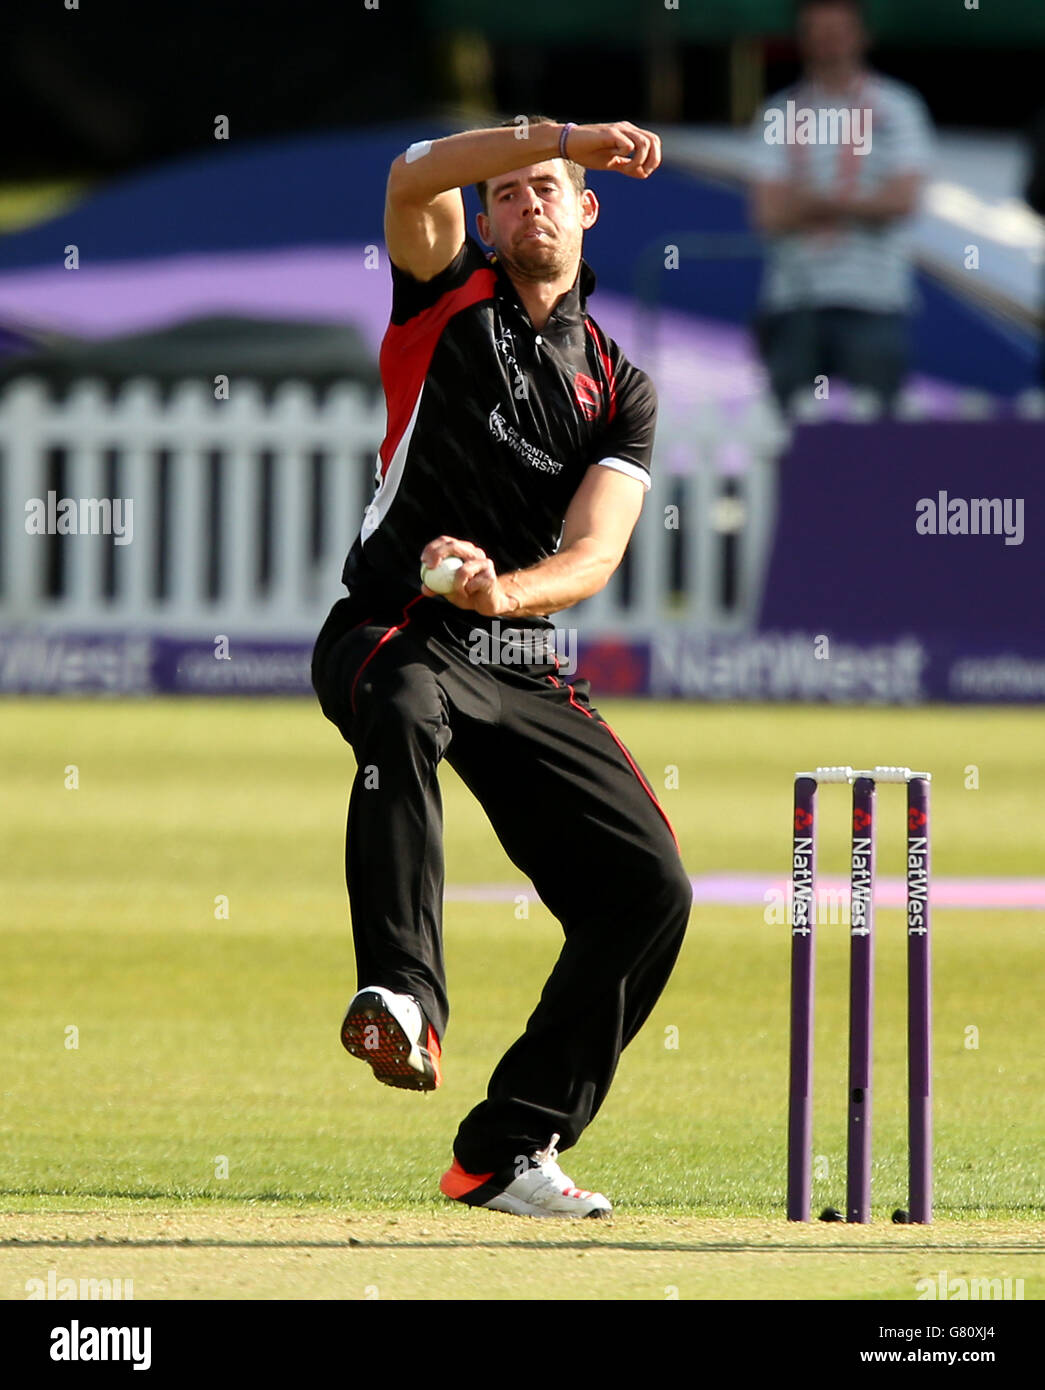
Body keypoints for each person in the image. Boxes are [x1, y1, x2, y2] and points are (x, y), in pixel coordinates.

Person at [310, 115, 692, 1218]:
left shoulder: (618, 385)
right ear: (486, 215)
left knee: (647, 889)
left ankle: (506, 1147)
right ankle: (402, 994)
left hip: (513, 651)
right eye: (510, 192)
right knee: (399, 699)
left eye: (550, 190)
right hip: (385, 625)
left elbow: (596, 551)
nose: (529, 206)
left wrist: (498, 593)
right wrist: (565, 134)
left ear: (588, 211)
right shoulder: (441, 292)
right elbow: (408, 172)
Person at [749, 0, 934, 413]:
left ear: (862, 36)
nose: (829, 42)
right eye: (819, 32)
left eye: (839, 31)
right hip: (793, 297)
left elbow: (904, 200)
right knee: (788, 437)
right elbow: (769, 215)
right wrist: (863, 202)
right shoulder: (779, 113)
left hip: (876, 298)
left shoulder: (898, 108)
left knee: (880, 440)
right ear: (803, 40)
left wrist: (813, 201)